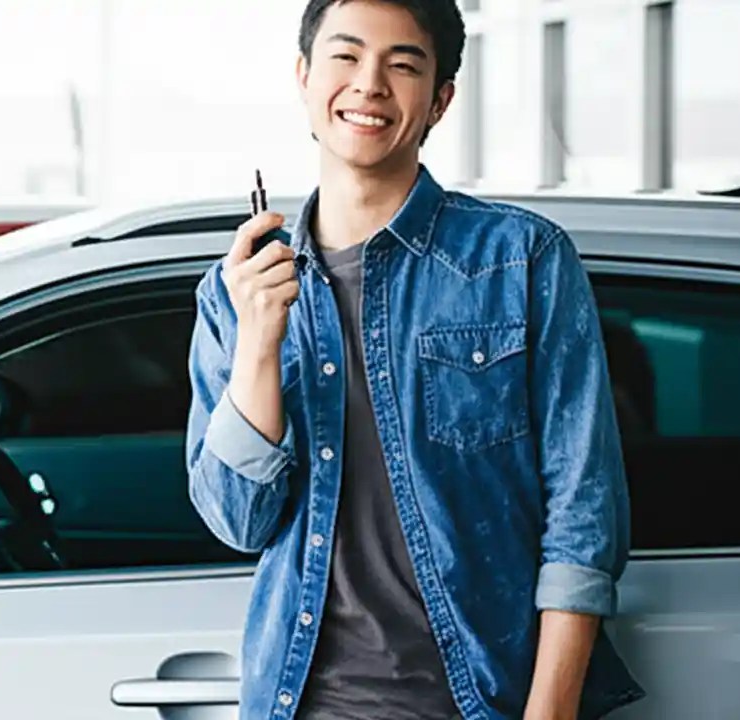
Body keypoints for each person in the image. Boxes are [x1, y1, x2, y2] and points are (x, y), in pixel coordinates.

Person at [184, 1, 646, 718]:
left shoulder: (521, 259)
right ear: (304, 76)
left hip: (480, 702)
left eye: (402, 64)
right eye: (345, 56)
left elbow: (583, 514)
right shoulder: (236, 291)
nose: (369, 83)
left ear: (440, 100)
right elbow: (239, 522)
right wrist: (259, 342)